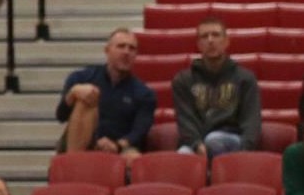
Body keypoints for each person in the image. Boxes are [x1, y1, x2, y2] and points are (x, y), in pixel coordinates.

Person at [56, 28, 154, 157]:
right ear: (107, 50)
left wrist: (116, 145)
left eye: (132, 48)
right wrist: (72, 93)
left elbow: (139, 131)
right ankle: (76, 164)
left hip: (119, 147)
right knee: (88, 93)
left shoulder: (144, 93)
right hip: (81, 142)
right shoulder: (81, 78)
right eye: (121, 46)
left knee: (134, 158)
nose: (126, 52)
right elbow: (61, 116)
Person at [172, 18, 261, 157]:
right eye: (204, 36)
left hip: (232, 140)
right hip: (197, 143)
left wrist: (245, 151)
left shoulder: (245, 78)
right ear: (198, 44)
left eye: (216, 35)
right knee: (182, 157)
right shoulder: (183, 80)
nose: (210, 40)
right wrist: (196, 145)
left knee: (214, 140)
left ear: (226, 42)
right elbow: (185, 120)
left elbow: (251, 120)